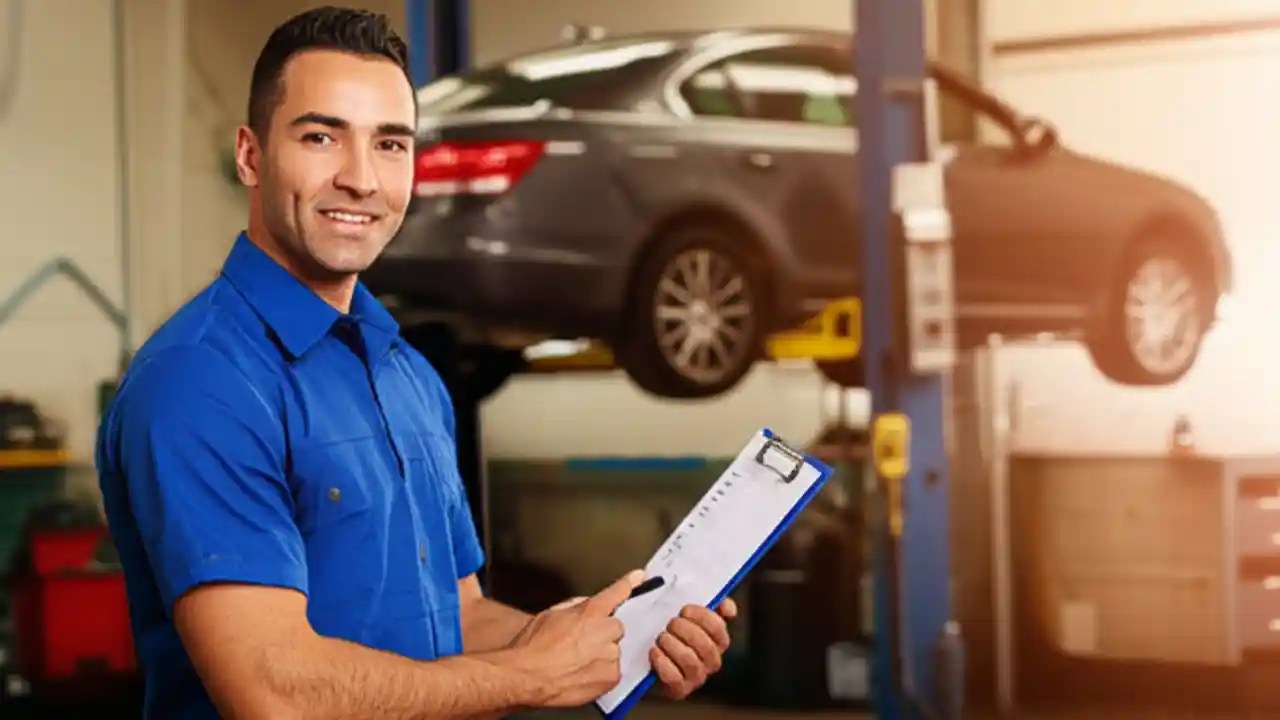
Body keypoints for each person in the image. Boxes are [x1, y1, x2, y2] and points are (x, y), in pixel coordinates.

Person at [95, 7, 736, 719]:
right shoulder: (201, 381)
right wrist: (533, 677)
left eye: (390, 145)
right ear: (251, 155)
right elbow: (272, 692)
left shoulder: (406, 375)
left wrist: (599, 641)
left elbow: (453, 617)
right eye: (320, 137)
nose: (361, 179)